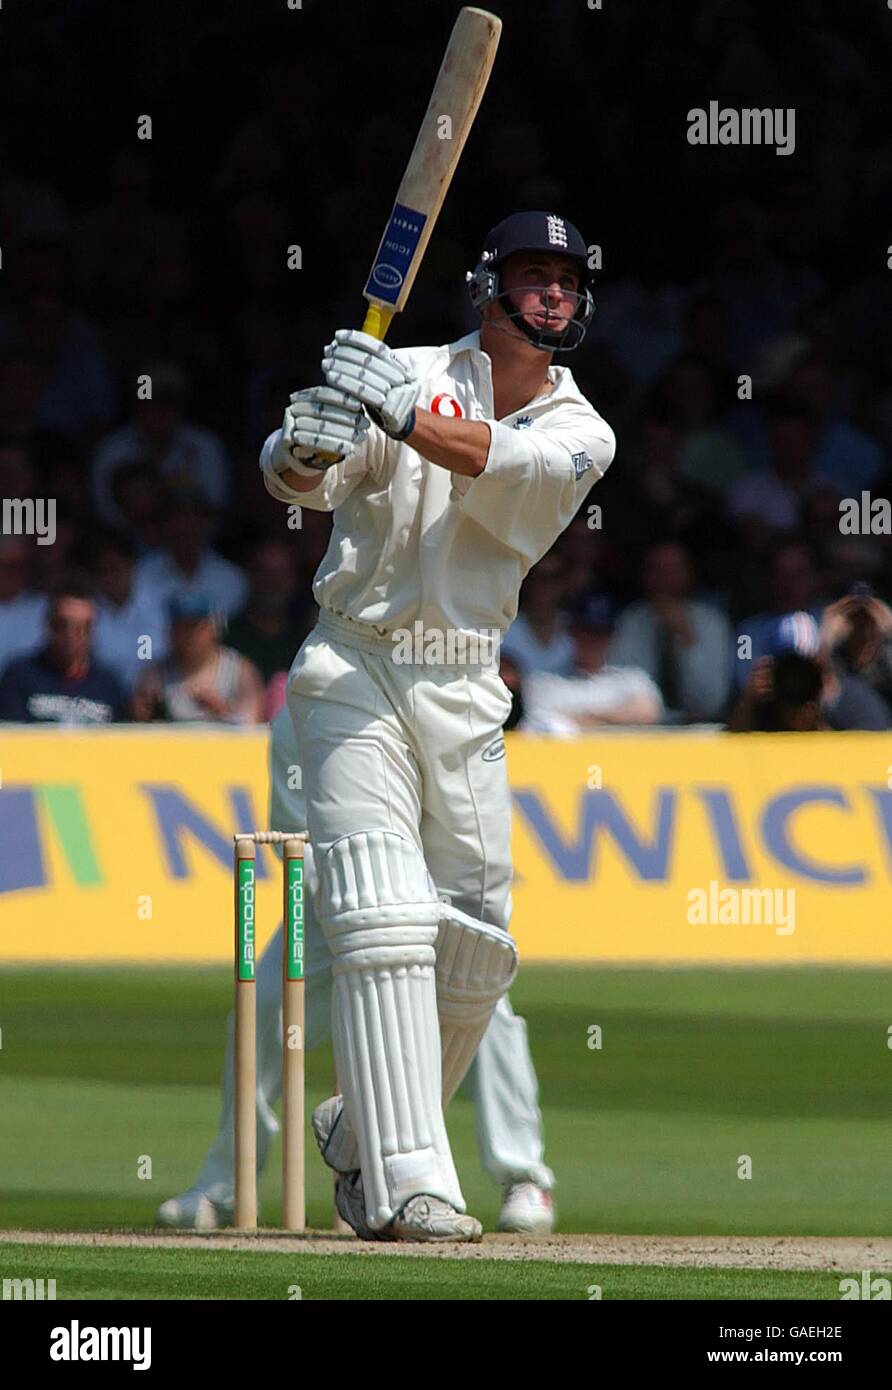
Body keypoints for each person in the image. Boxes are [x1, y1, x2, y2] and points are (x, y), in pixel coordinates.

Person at [258, 210, 615, 1241]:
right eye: (532, 275)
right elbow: (309, 485)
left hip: (464, 687)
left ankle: (362, 1123)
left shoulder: (582, 432)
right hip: (353, 663)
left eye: (565, 280)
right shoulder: (398, 367)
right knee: (377, 912)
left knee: (478, 947)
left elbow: (494, 464)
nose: (552, 293)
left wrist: (403, 409)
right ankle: (411, 1182)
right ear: (486, 285)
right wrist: (300, 447)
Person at [156, 706, 556, 1235]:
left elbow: (462, 828)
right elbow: (296, 833)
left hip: (431, 899)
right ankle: (225, 1183)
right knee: (262, 1009)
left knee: (487, 1007)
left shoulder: (434, 705)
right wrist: (361, 925)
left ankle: (522, 1177)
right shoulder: (301, 713)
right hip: (333, 907)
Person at [524, 596, 662, 733]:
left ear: (611, 636)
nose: (593, 641)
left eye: (601, 633)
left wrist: (582, 717)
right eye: (586, 631)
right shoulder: (544, 681)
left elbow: (649, 714)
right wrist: (619, 717)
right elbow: (542, 723)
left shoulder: (633, 679)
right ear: (572, 632)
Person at [0, 577, 128, 723]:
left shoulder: (109, 685)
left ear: (93, 631)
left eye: (83, 628)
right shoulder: (19, 676)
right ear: (48, 625)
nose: (72, 636)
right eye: (64, 625)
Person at [133, 592, 264, 724]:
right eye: (180, 627)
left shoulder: (240, 672)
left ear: (213, 628)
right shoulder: (154, 675)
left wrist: (223, 712)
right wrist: (146, 714)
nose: (187, 635)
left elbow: (252, 730)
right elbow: (140, 729)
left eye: (194, 627)